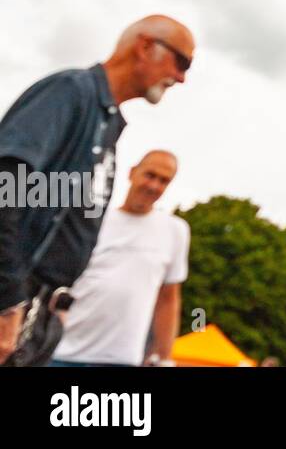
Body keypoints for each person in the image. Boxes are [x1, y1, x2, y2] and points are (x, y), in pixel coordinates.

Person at [0, 15, 195, 365]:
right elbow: (7, 185)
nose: (181, 78)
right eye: (181, 61)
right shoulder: (71, 93)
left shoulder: (106, 124)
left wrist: (58, 308)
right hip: (13, 305)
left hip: (42, 317)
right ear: (146, 46)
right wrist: (7, 300)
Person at [49, 150, 190, 367]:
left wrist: (164, 357)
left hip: (121, 359)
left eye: (164, 181)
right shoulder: (94, 221)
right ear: (132, 172)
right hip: (64, 352)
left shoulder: (175, 231)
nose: (154, 186)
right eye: (150, 175)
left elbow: (168, 299)